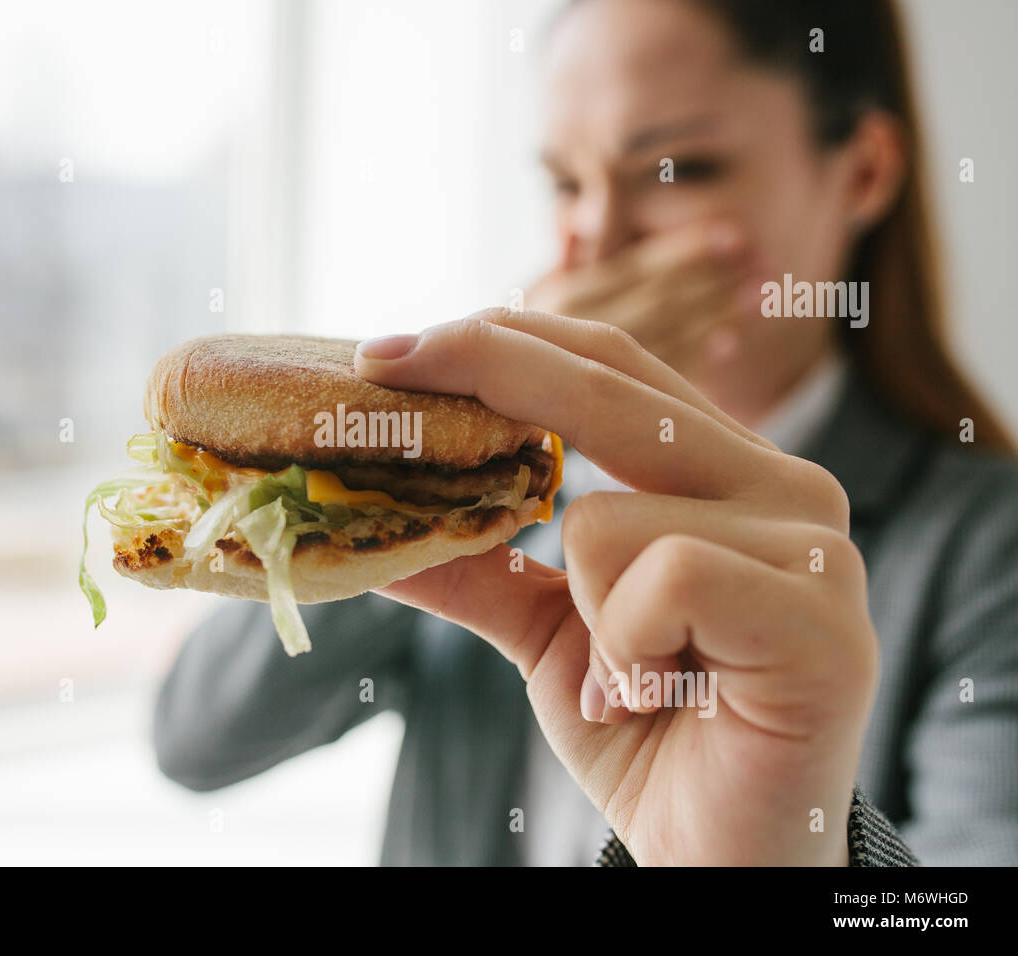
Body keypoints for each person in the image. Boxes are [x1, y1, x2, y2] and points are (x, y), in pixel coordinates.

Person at [153, 0, 1018, 865]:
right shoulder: (493, 487)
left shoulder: (987, 544)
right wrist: (403, 482)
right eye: (566, 183)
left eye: (677, 170)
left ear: (863, 173)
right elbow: (197, 739)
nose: (595, 238)